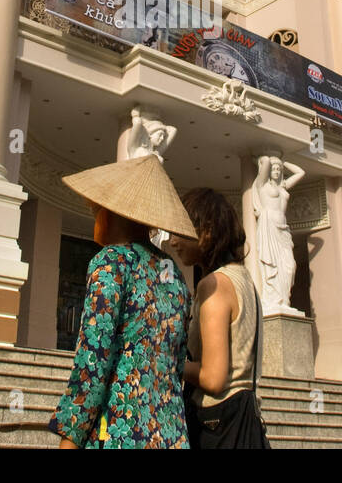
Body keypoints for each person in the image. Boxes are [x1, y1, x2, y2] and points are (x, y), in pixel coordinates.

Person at [48, 154, 197, 448]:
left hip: (119, 432)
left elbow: (92, 363)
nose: (94, 217)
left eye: (97, 209)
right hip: (170, 436)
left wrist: (70, 438)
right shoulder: (174, 276)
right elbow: (176, 364)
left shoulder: (111, 263)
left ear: (113, 213)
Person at [168, 187, 267, 449]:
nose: (172, 241)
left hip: (216, 426)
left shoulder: (214, 285)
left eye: (180, 230)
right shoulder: (244, 280)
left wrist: (164, 358)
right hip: (244, 419)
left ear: (207, 231)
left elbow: (213, 378)